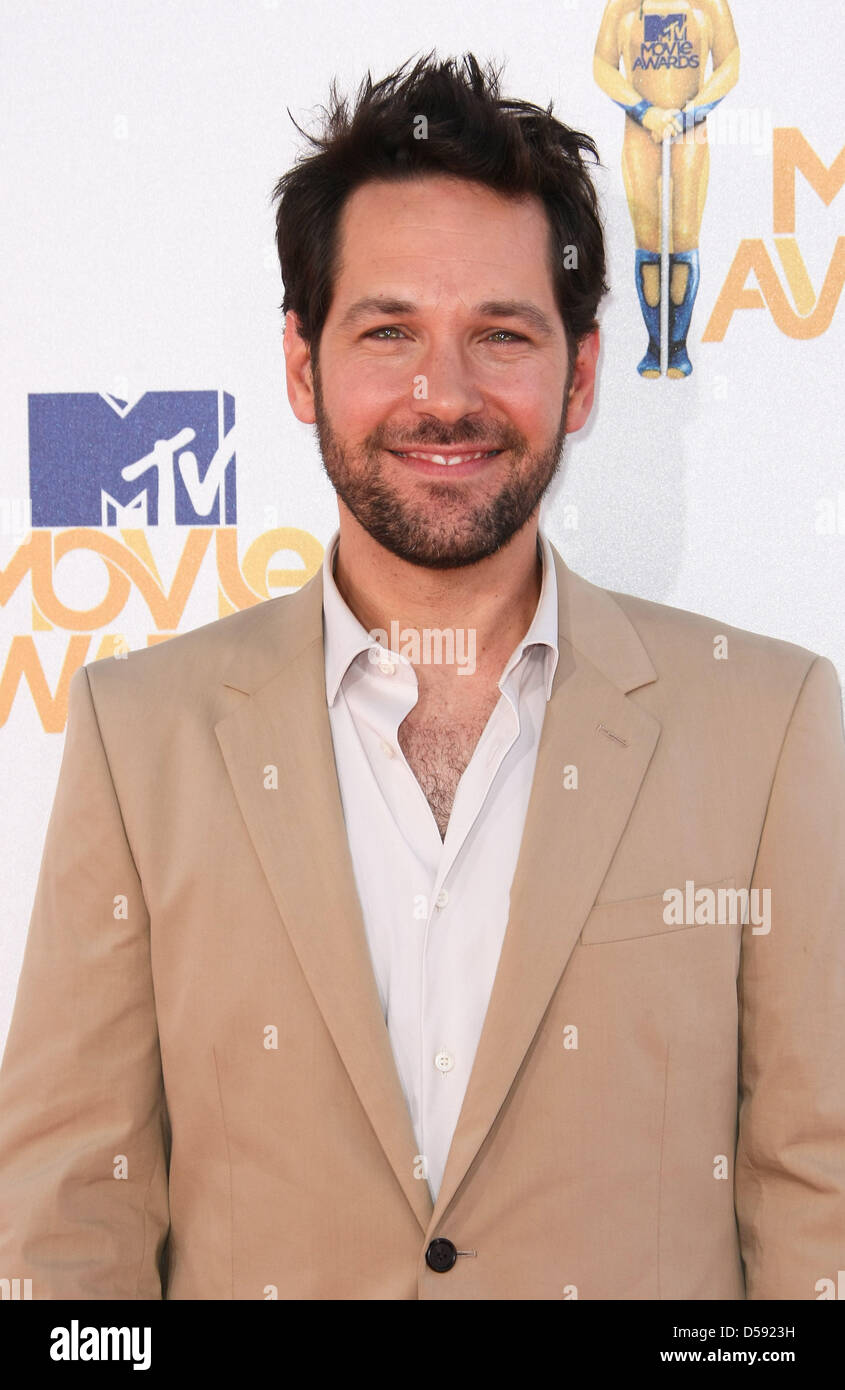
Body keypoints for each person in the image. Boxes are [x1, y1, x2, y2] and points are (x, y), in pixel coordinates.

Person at [0, 51, 842, 1301]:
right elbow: (70, 1219)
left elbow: (814, 1199)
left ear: (581, 372)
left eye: (500, 334)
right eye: (387, 331)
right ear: (301, 365)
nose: (440, 395)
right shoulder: (145, 736)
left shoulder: (763, 725)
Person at [593, 0, 740, 375]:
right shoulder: (622, 6)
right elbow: (602, 64)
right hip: (640, 133)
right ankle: (654, 343)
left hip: (691, 132)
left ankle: (676, 346)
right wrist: (646, 111)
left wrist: (690, 113)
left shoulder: (709, 5)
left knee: (684, 234)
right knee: (648, 237)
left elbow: (730, 61)